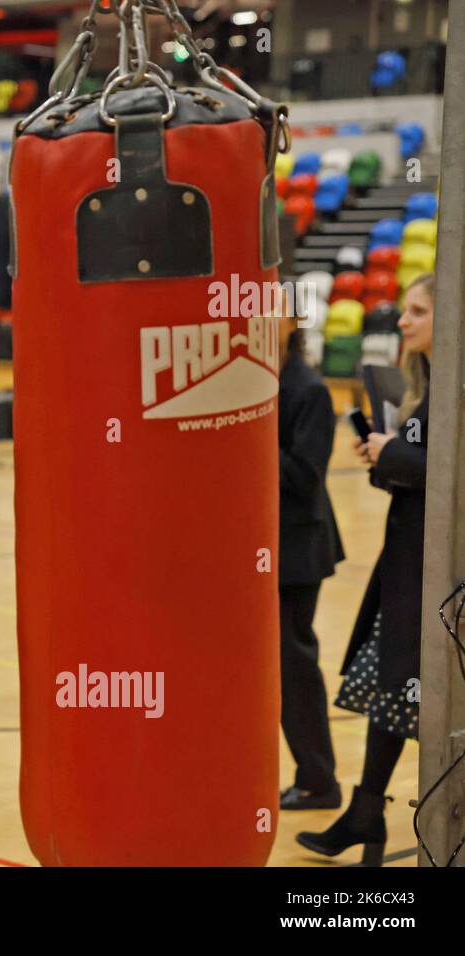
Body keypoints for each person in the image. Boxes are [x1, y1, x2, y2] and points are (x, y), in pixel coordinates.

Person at [298, 273, 434, 866]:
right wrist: (383, 457)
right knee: (390, 690)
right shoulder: (425, 386)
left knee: (407, 690)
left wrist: (395, 453)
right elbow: (418, 474)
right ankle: (365, 812)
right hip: (409, 566)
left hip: (439, 575)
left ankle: (369, 813)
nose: (402, 321)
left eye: (418, 311)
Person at [276, 312, 345, 810]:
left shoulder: (310, 391)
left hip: (298, 550)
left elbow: (304, 476)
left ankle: (319, 781)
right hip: (260, 549)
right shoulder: (253, 380)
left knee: (294, 666)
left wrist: (242, 437)